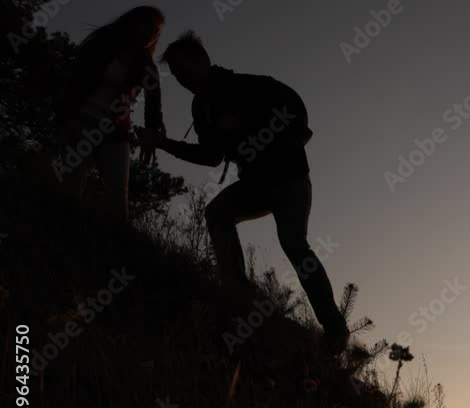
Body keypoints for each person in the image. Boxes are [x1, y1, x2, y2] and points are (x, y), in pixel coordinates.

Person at [149, 31, 350, 353]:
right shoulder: (201, 108)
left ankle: (335, 330)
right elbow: (210, 156)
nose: (182, 79)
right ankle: (239, 293)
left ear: (202, 61)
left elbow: (298, 114)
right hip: (255, 184)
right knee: (217, 213)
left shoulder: (250, 85)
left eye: (184, 71)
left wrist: (261, 133)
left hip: (290, 177)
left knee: (294, 243)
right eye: (176, 75)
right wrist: (165, 144)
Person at [54, 6, 165, 223]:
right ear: (134, 22)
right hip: (81, 122)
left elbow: (154, 104)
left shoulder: (146, 67)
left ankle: (116, 248)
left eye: (156, 32)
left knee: (118, 198)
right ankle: (60, 237)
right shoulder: (103, 44)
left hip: (115, 132)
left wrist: (152, 133)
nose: (151, 34)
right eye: (149, 26)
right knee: (70, 188)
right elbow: (74, 82)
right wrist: (66, 120)